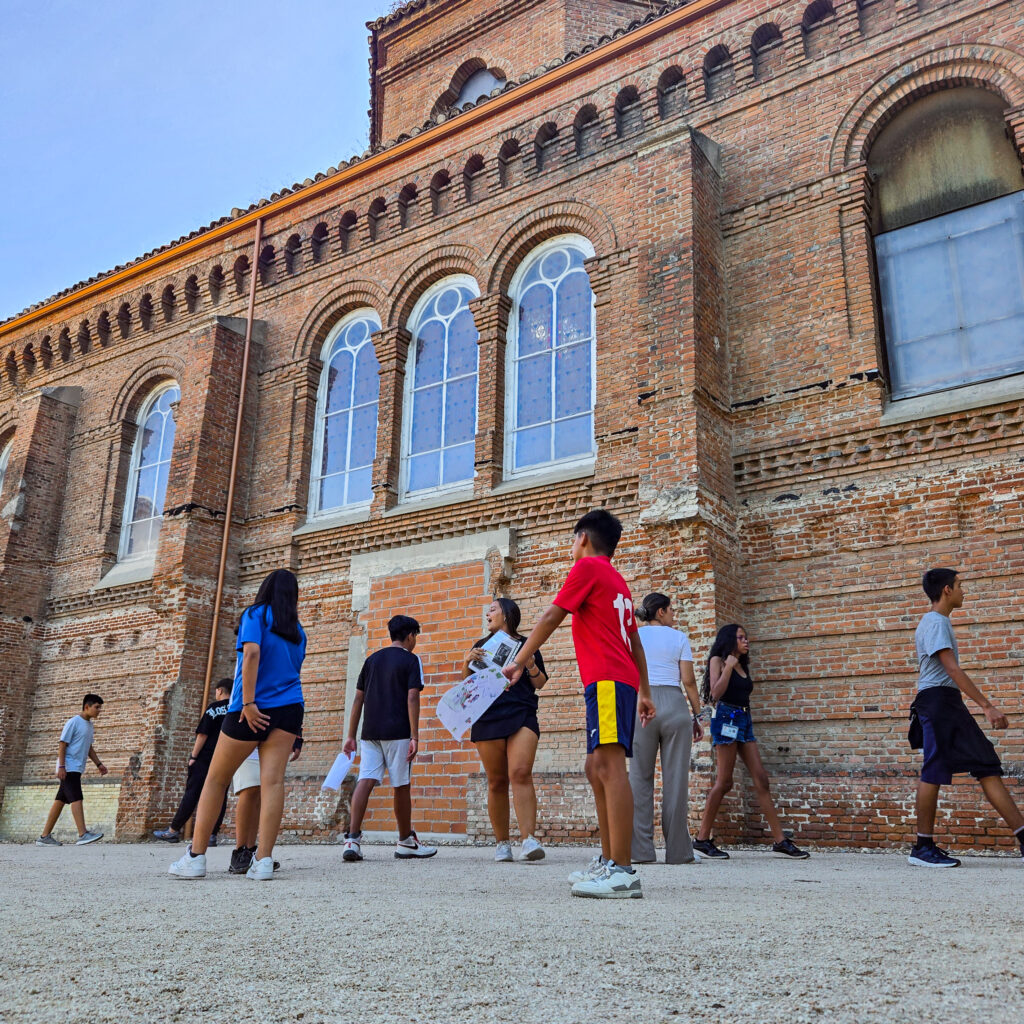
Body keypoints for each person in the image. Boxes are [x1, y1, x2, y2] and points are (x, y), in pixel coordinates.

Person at [503, 509, 655, 899]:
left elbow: (553, 615)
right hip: (616, 681)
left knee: (608, 764)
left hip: (607, 679)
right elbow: (635, 642)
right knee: (595, 766)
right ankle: (609, 860)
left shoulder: (587, 569)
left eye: (573, 540)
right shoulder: (618, 580)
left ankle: (623, 871)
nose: (572, 548)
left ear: (583, 538)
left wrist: (519, 661)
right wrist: (645, 690)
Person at [168, 568, 307, 880]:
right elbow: (293, 675)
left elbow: (253, 653)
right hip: (289, 711)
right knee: (272, 783)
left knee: (216, 780)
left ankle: (196, 858)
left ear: (265, 589)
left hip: (250, 710)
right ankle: (264, 861)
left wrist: (248, 701)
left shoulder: (255, 614)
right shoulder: (298, 630)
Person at [908, 568, 1024, 867]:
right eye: (960, 586)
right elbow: (953, 670)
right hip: (936, 702)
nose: (964, 591)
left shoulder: (939, 622)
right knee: (934, 769)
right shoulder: (935, 622)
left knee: (986, 763)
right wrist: (987, 706)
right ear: (947, 590)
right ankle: (922, 847)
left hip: (948, 703)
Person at [693, 624, 809, 860]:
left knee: (761, 778)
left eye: (746, 637)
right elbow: (714, 694)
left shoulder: (742, 665)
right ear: (729, 639)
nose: (746, 641)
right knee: (725, 782)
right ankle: (702, 840)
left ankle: (780, 841)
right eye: (741, 637)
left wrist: (735, 665)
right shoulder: (718, 660)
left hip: (744, 719)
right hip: (726, 717)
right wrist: (728, 667)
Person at [341, 614, 437, 861]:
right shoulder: (411, 660)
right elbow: (412, 697)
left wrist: (351, 735)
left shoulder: (371, 660)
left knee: (366, 780)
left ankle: (352, 840)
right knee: (401, 784)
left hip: (370, 731)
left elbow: (358, 699)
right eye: (416, 636)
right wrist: (415, 736)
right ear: (410, 636)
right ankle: (406, 841)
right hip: (398, 731)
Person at [462, 598, 549, 862]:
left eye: (493, 609)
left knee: (520, 772)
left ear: (507, 615)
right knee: (497, 781)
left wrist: (531, 663)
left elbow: (541, 683)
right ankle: (502, 843)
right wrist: (466, 662)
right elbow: (467, 689)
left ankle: (528, 839)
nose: (488, 613)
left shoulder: (526, 644)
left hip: (521, 712)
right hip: (488, 716)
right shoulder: (480, 647)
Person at [629, 593, 704, 865]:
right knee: (676, 781)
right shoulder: (678, 638)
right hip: (674, 705)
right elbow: (689, 681)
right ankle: (678, 851)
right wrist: (698, 715)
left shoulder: (633, 636)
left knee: (639, 778)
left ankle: (639, 851)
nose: (674, 614)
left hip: (641, 703)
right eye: (671, 609)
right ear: (660, 612)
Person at [153, 679, 232, 844]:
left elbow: (202, 734)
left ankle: (173, 830)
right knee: (220, 795)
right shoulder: (235, 709)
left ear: (219, 691)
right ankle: (212, 834)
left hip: (205, 757)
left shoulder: (213, 708)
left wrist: (194, 756)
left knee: (192, 793)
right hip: (226, 757)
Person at [36, 694, 108, 846]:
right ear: (86, 707)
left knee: (60, 801)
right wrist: (62, 766)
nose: (99, 710)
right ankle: (83, 834)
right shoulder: (73, 722)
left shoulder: (89, 726)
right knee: (77, 797)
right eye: (97, 707)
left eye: (100, 707)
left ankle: (44, 837)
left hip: (77, 767)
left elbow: (88, 747)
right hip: (69, 767)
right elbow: (63, 744)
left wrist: (99, 764)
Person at [227, 735, 303, 874]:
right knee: (248, 788)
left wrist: (297, 738)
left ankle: (250, 850)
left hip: (272, 735)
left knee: (259, 793)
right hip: (248, 733)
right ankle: (239, 851)